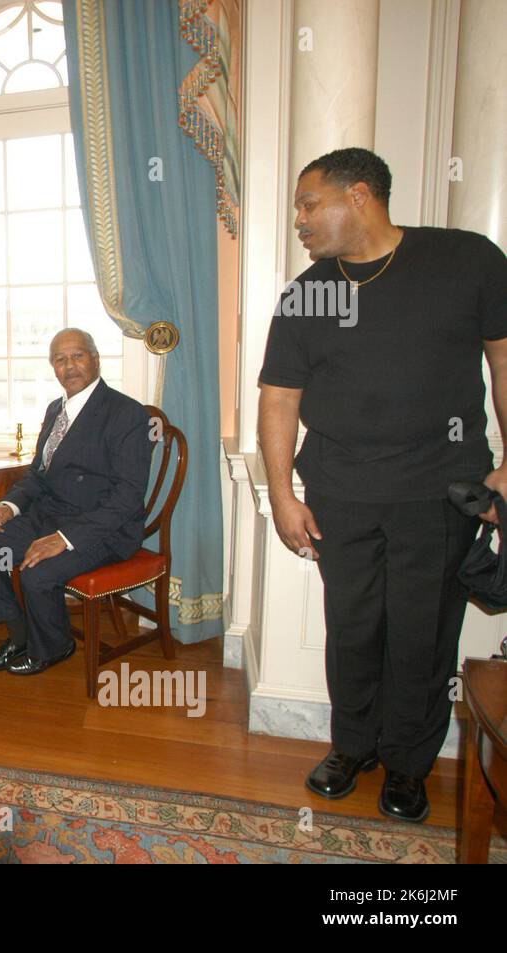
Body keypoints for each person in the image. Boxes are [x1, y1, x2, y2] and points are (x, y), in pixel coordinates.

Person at [259, 147, 507, 823]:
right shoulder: (308, 291)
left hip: (441, 491)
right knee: (354, 628)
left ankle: (407, 763)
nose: (300, 220)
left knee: (423, 636)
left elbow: (504, 358)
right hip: (341, 493)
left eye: (309, 204)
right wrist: (283, 494)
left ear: (360, 194)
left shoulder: (468, 261)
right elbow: (279, 399)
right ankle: (352, 747)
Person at [0, 329, 151, 675]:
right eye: (60, 359)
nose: (69, 366)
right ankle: (20, 636)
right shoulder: (55, 410)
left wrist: (63, 539)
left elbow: (127, 496)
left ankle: (54, 646)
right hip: (50, 515)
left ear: (95, 359)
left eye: (77, 356)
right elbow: (38, 474)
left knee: (37, 571)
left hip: (103, 529)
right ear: (53, 368)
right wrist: (10, 505)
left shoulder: (126, 413)